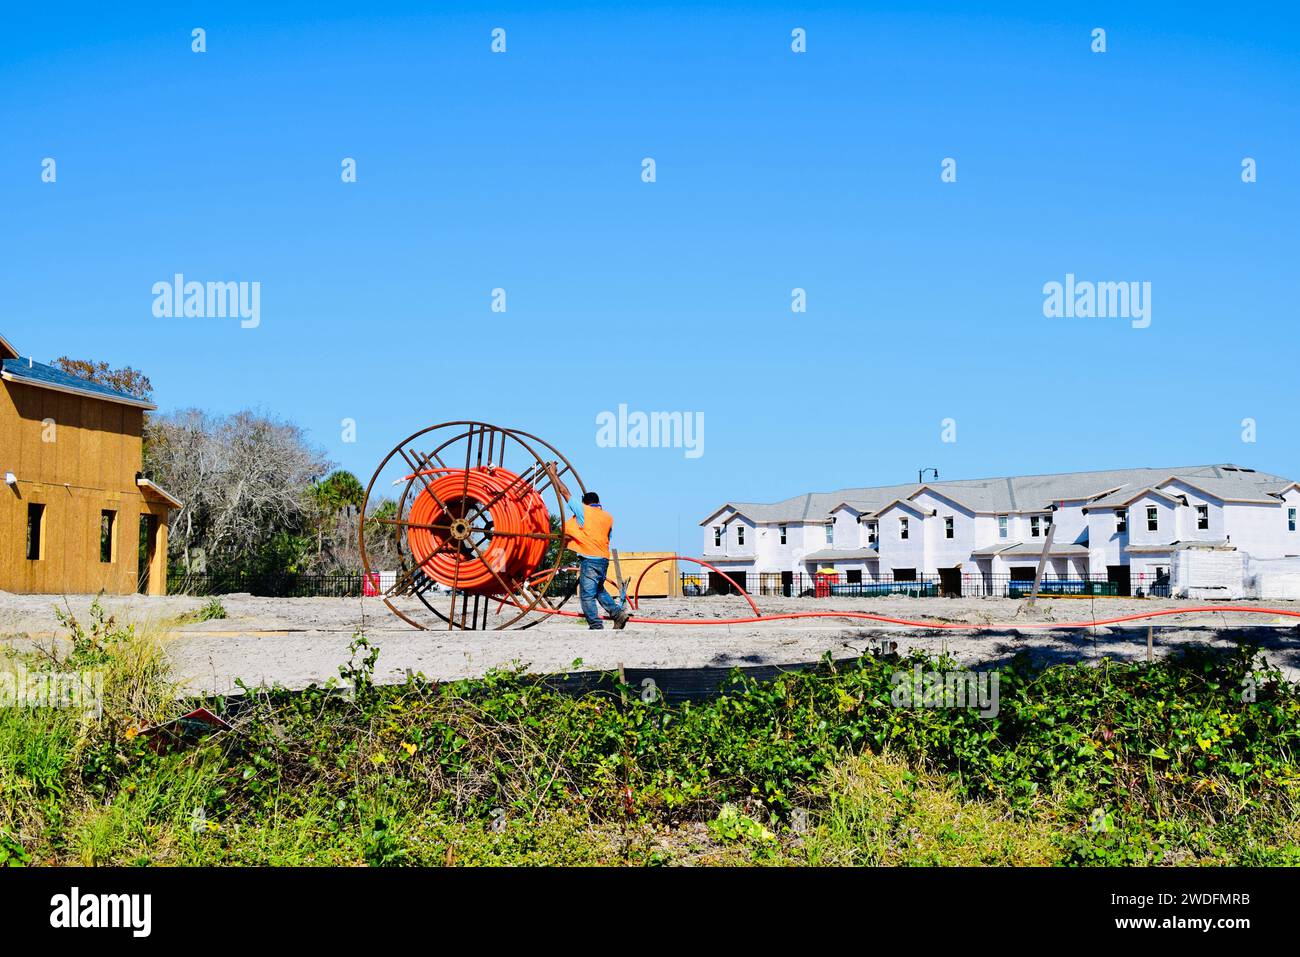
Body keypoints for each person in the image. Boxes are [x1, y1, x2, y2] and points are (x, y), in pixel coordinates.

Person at [561, 489, 630, 630]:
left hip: (590, 559)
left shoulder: (584, 511)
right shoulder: (608, 517)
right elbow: (608, 538)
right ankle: (618, 615)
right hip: (603, 559)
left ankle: (595, 625)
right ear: (598, 502)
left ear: (585, 503)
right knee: (599, 590)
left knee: (587, 595)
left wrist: (554, 475)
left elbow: (564, 492)